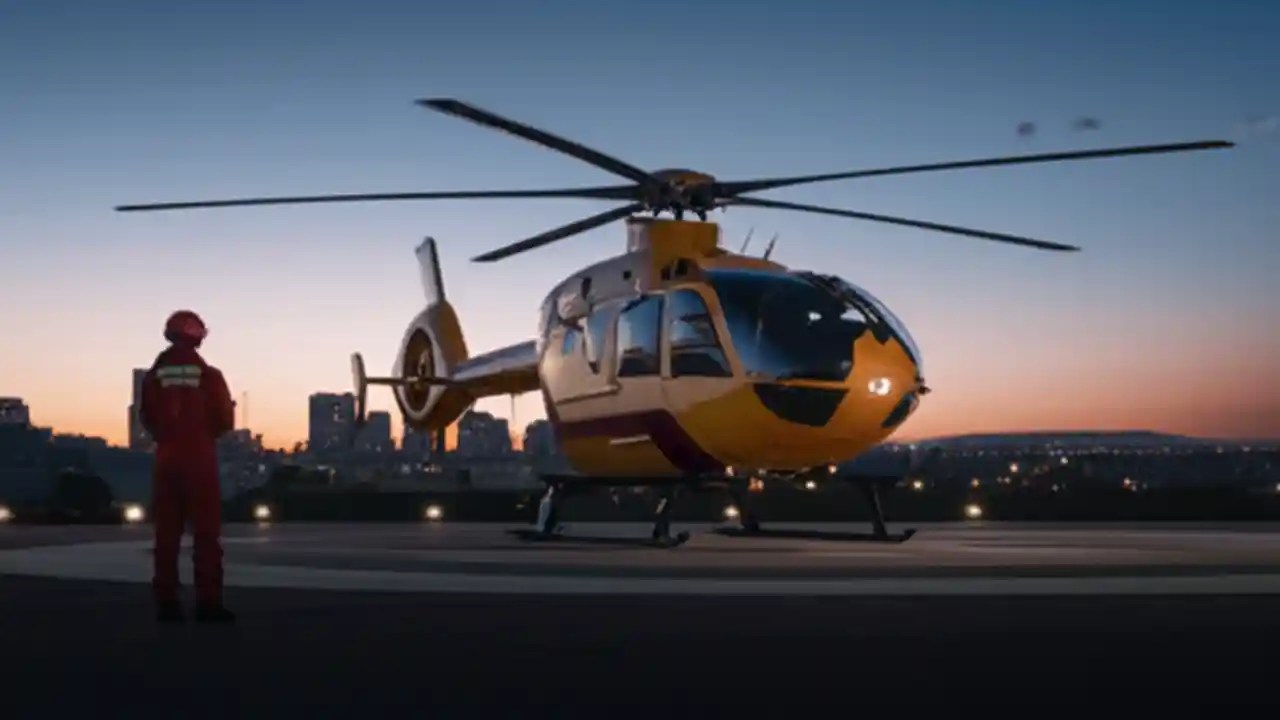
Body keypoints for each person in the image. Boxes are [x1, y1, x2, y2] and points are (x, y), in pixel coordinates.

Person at [139, 310, 237, 623]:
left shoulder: (154, 376)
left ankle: (166, 602)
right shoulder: (209, 375)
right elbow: (224, 420)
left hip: (166, 458)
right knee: (206, 533)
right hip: (199, 458)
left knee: (166, 534)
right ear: (197, 335)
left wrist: (166, 435)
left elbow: (146, 417)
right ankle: (208, 603)